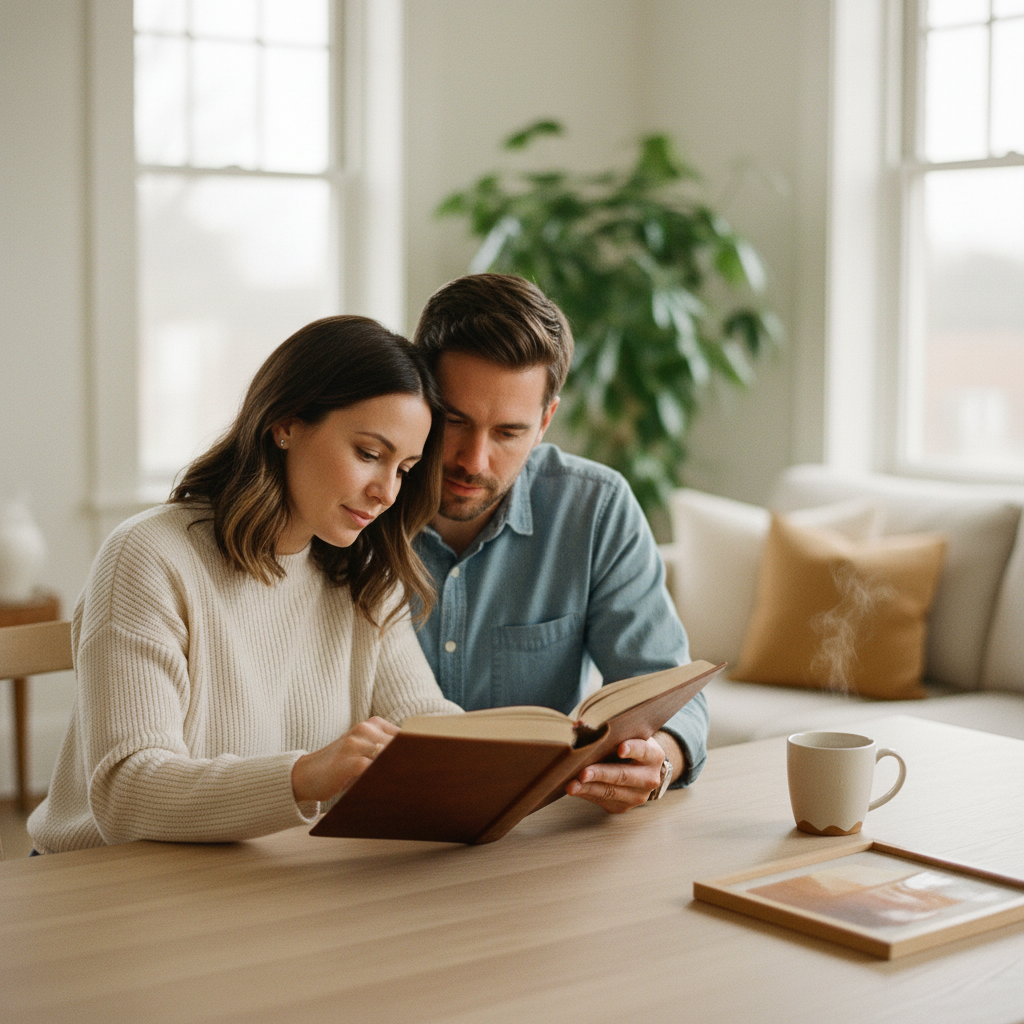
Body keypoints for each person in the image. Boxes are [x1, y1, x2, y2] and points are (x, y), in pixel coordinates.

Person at [28, 316, 460, 854]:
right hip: (108, 884)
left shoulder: (366, 574)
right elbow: (126, 791)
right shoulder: (150, 556)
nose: (386, 493)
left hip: (262, 874)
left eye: (405, 468)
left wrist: (549, 756)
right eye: (370, 454)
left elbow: (423, 721)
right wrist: (304, 775)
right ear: (285, 423)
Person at [412, 274, 709, 814]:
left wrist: (659, 758)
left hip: (531, 832)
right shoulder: (357, 509)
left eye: (508, 433)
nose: (473, 461)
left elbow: (668, 692)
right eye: (454, 420)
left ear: (545, 420)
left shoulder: (594, 509)